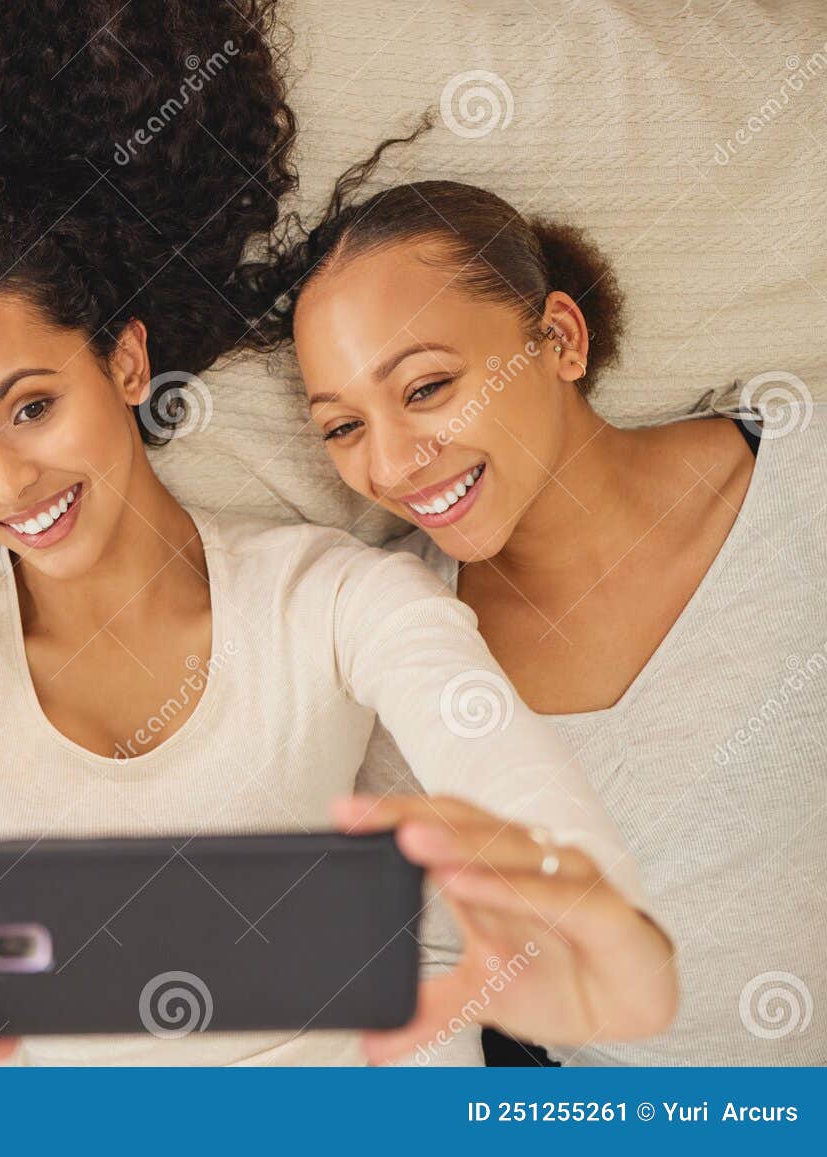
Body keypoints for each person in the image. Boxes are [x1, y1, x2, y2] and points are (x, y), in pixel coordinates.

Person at [0, 4, 676, 1066]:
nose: (3, 480)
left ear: (127, 366)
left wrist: (597, 911)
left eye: (31, 406)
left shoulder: (336, 601)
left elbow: (493, 754)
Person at [275, 138, 826, 1064]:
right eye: (342, 427)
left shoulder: (800, 480)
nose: (391, 462)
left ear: (559, 340)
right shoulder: (401, 663)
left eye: (428, 387)